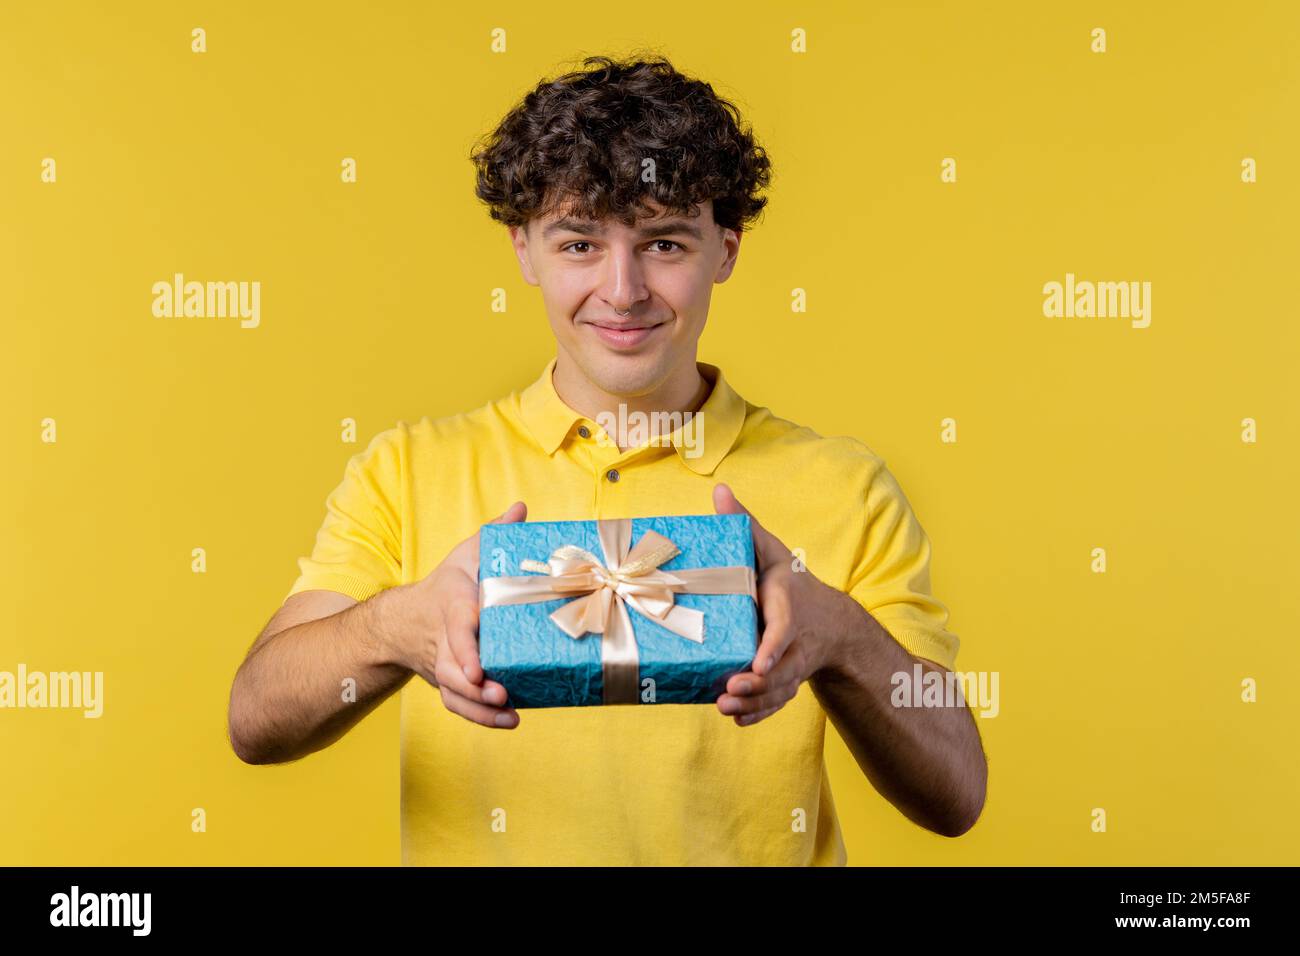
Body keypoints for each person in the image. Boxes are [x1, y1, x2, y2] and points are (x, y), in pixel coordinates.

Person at [227, 53, 987, 865]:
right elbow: (255, 720)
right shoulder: (406, 469)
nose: (622, 291)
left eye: (663, 243)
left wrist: (836, 632)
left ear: (725, 251)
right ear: (524, 251)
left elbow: (956, 794)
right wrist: (393, 626)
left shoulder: (845, 484)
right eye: (580, 243)